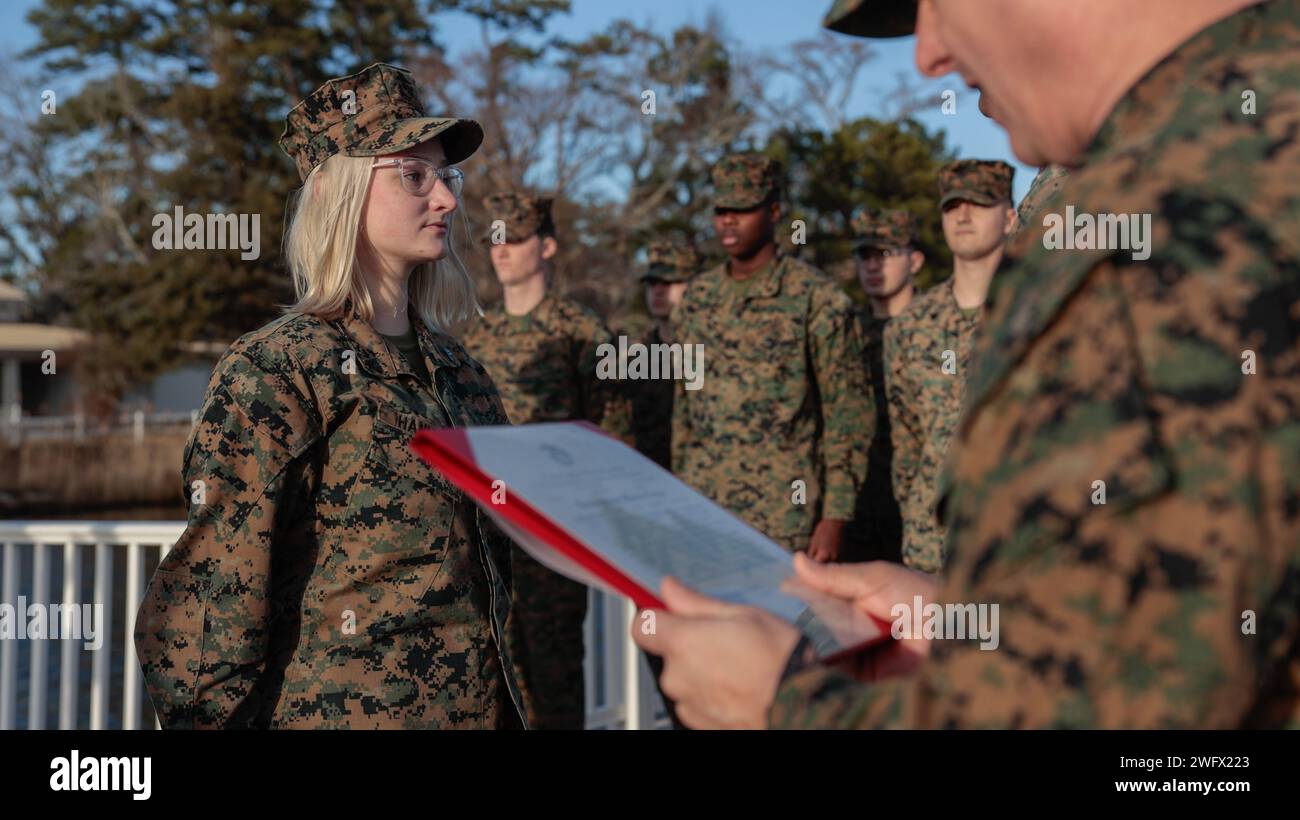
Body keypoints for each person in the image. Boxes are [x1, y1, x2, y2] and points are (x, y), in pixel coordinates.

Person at [634, 0, 1300, 729]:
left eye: (934, 3)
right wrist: (969, 617)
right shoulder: (1240, 135)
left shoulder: (1169, 204)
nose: (929, 55)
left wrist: (784, 704)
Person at [134, 63, 526, 729]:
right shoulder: (277, 370)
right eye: (413, 174)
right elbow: (206, 616)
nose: (448, 201)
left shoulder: (460, 373)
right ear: (337, 191)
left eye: (447, 176)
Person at [463, 191, 632, 730]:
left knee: (555, 676)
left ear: (549, 245)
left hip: (554, 531)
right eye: (496, 238)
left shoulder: (580, 332)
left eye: (516, 238)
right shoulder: (476, 336)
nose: (502, 250)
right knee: (495, 677)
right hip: (490, 533)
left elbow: (614, 433)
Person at [672, 153, 872, 560]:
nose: (728, 220)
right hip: (705, 512)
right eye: (721, 211)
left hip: (785, 519)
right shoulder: (698, 299)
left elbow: (847, 414)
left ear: (774, 211)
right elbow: (685, 410)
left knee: (782, 626)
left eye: (742, 210)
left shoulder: (816, 298)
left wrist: (835, 517)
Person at [885, 159, 1014, 573]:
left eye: (979, 203)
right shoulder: (909, 328)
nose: (962, 214)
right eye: (951, 205)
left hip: (1014, 545)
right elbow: (906, 443)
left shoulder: (1036, 312)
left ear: (1009, 218)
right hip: (930, 550)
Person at [841, 209, 922, 565]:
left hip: (919, 509)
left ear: (915, 260)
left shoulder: (935, 329)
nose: (874, 266)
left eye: (886, 255)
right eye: (865, 256)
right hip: (856, 509)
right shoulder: (844, 332)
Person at [628, 240, 701, 470]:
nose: (659, 291)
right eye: (652, 283)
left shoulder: (712, 351)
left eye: (670, 282)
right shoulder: (634, 355)